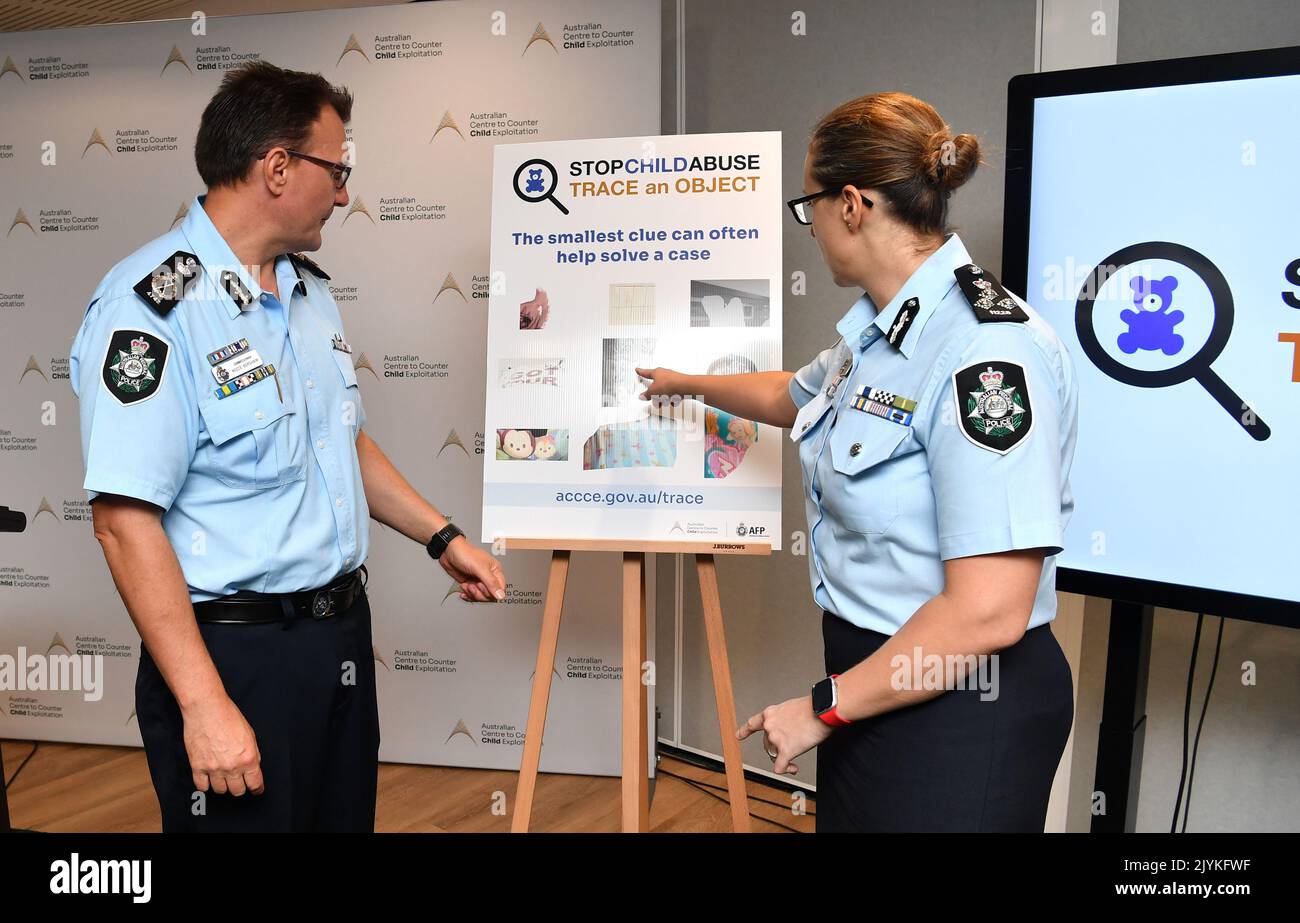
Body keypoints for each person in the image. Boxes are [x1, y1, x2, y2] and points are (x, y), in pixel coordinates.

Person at [70, 62, 506, 832]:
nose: (344, 193)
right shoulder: (155, 305)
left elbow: (335, 437)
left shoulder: (307, 290)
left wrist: (442, 534)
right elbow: (123, 522)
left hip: (335, 638)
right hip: (235, 658)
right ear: (277, 167)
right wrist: (204, 705)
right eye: (335, 171)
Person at [637, 92, 1078, 832]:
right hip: (879, 682)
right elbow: (793, 395)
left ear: (851, 204)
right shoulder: (882, 332)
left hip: (961, 703)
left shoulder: (985, 350)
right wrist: (683, 381)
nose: (808, 228)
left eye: (807, 205)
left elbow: (988, 612)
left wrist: (825, 707)